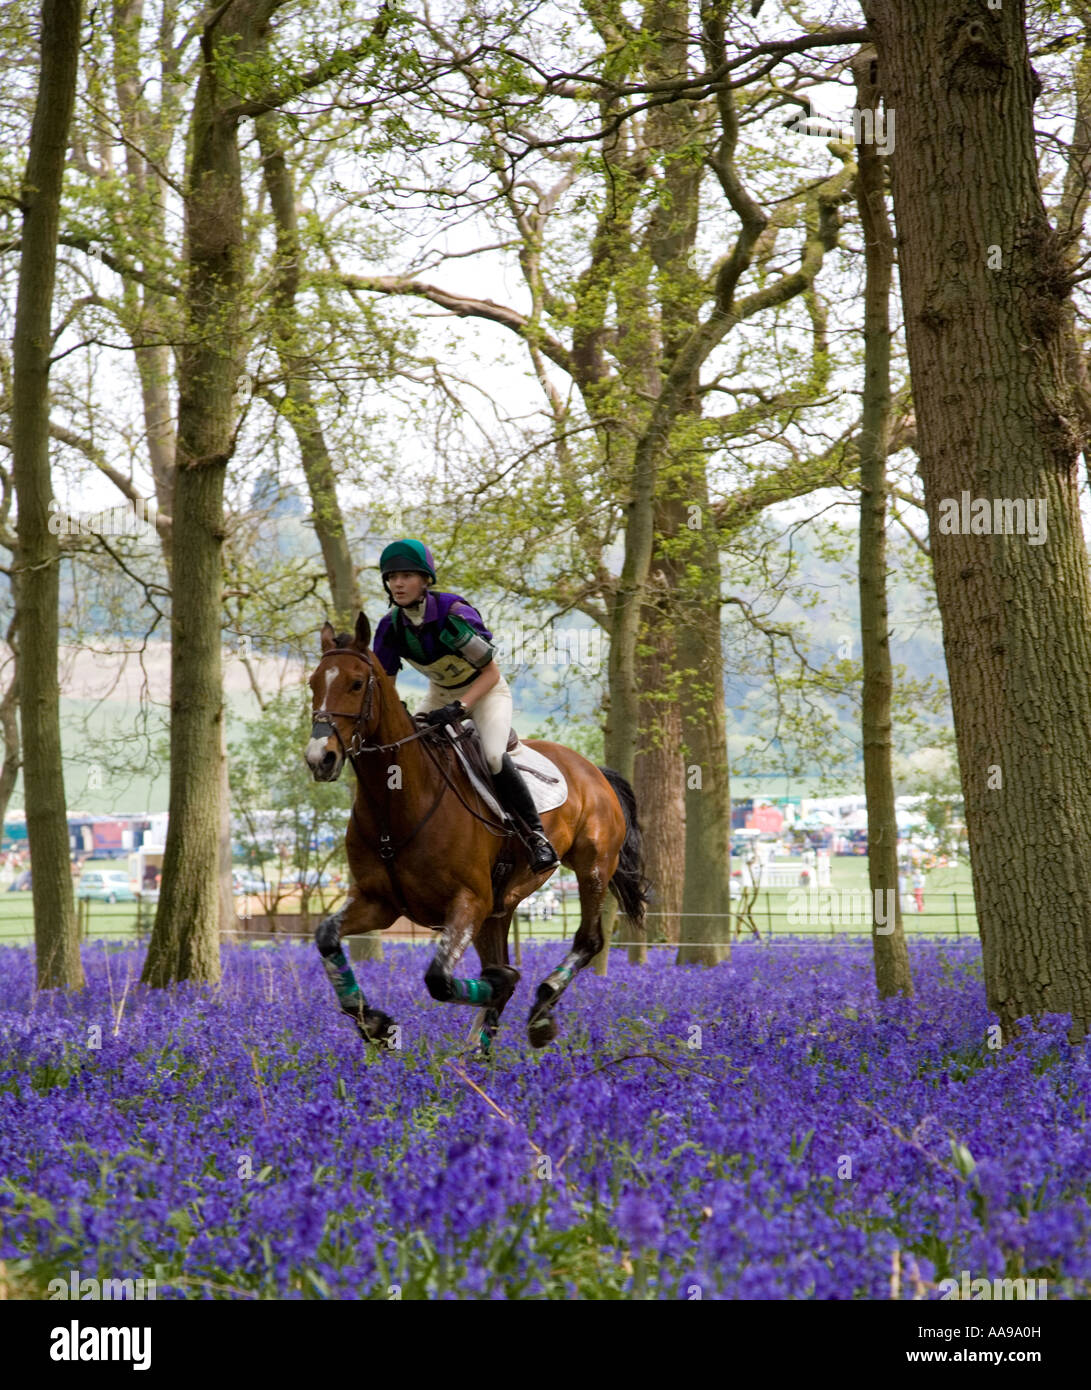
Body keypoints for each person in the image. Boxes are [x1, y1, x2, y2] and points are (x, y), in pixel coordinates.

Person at [371, 538, 560, 872]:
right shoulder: (390, 627)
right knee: (410, 751)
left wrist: (460, 708)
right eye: (391, 577)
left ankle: (536, 836)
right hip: (440, 692)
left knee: (491, 756)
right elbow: (387, 685)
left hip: (485, 692)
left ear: (425, 580)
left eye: (406, 576)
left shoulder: (453, 614)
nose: (397, 583)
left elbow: (490, 673)